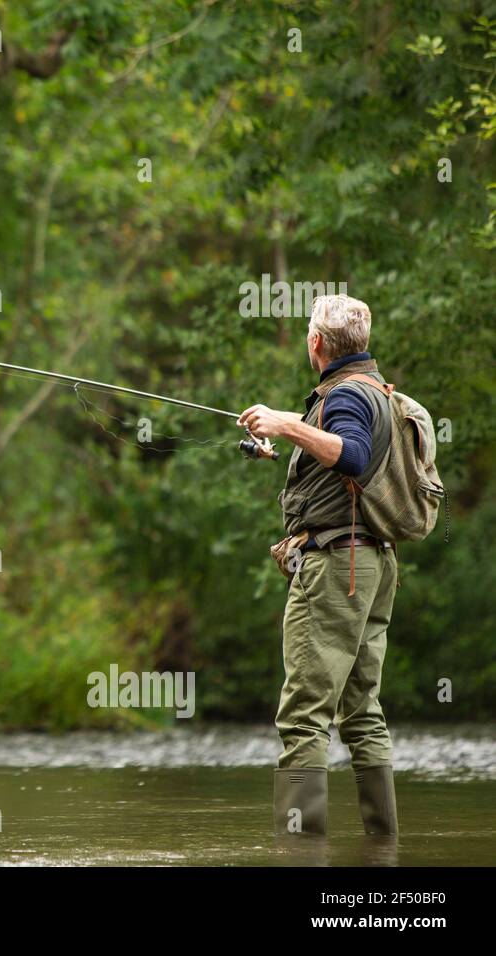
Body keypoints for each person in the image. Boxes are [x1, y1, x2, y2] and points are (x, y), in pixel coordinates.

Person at [238, 293, 399, 837]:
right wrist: (287, 435)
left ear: (316, 344)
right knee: (361, 710)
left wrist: (286, 426)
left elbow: (351, 454)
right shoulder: (377, 391)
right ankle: (384, 845)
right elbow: (341, 461)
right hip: (372, 562)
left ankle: (299, 849)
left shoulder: (349, 394)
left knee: (304, 714)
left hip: (337, 567)